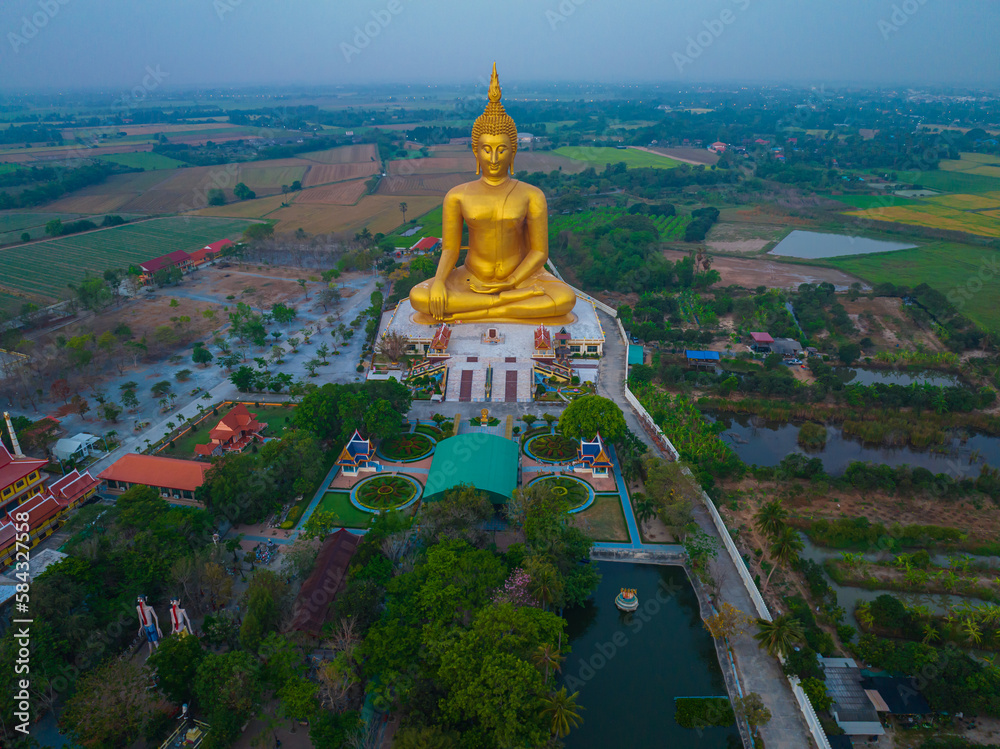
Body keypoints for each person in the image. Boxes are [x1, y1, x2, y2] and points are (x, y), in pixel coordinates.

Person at [408, 64, 575, 323]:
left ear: (513, 152)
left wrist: (510, 282)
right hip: (471, 278)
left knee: (565, 299)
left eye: (501, 149)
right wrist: (440, 281)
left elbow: (539, 253)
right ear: (476, 152)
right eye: (486, 149)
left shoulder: (531, 195)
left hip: (522, 279)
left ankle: (488, 307)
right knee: (420, 297)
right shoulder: (458, 195)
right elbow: (450, 249)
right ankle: (503, 307)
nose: (494, 158)